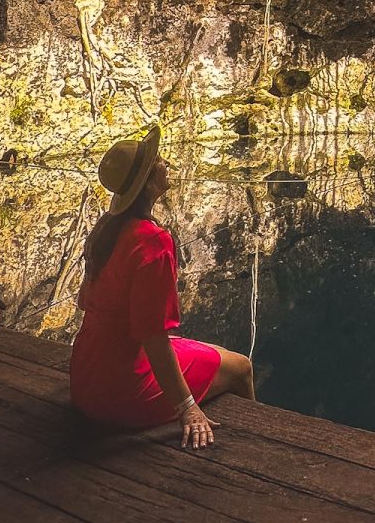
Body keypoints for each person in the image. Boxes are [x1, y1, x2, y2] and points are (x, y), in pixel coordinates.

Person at [70, 123, 255, 448]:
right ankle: (260, 442)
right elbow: (153, 337)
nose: (166, 161)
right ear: (149, 183)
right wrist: (188, 409)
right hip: (122, 390)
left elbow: (88, 301)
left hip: (85, 376)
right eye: (159, 161)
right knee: (241, 367)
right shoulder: (153, 241)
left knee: (211, 351)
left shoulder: (105, 229)